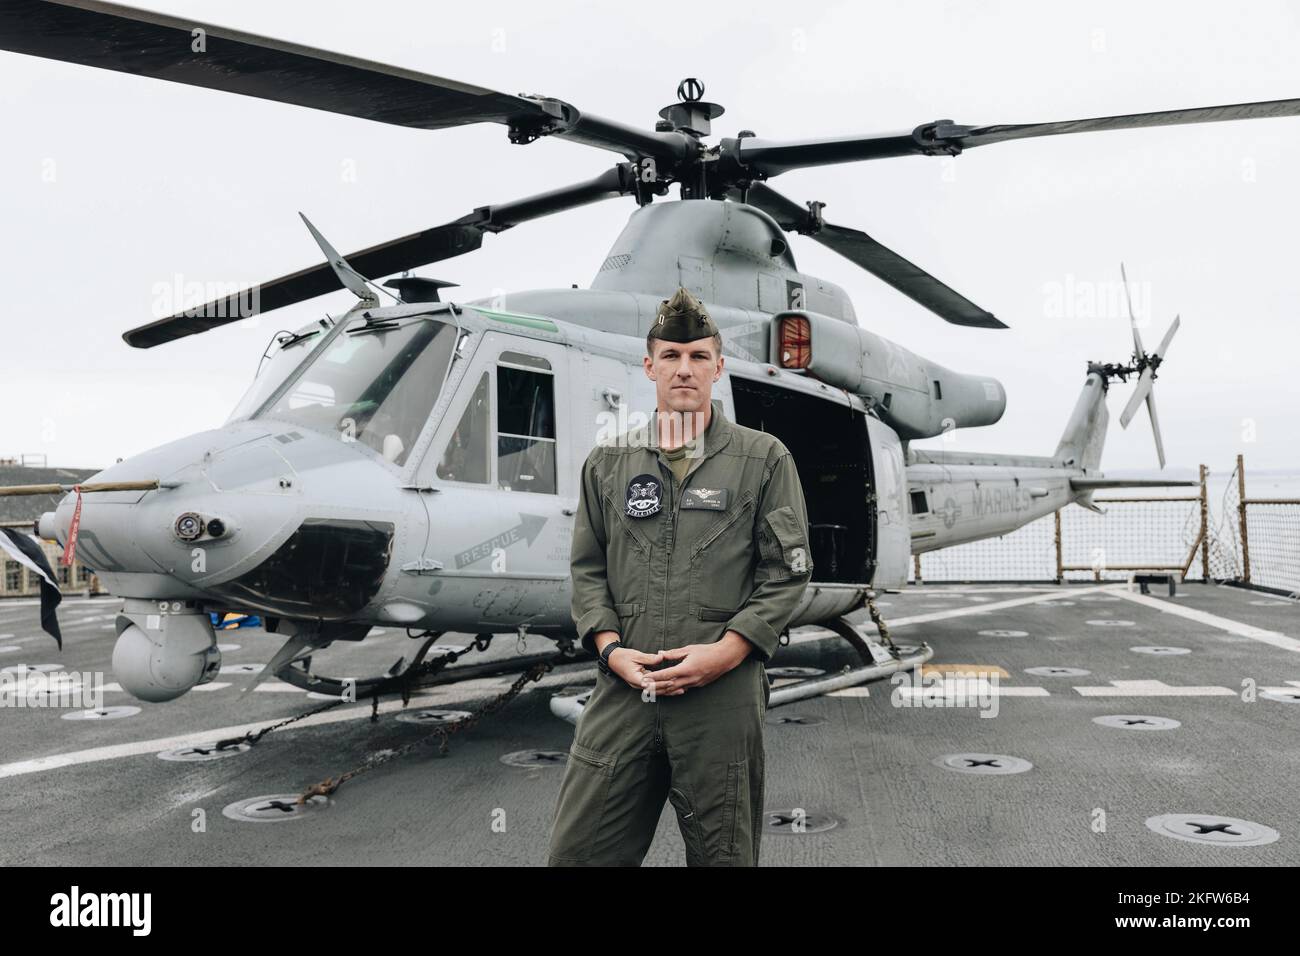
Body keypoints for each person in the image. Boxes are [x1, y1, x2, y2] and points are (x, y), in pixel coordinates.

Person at [546, 286, 814, 866]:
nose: (684, 369)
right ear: (649, 366)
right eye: (670, 356)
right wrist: (611, 649)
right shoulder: (608, 464)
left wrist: (725, 653)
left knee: (723, 857)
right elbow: (588, 571)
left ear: (719, 365)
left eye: (697, 357)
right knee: (579, 853)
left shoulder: (764, 459)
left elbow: (786, 574)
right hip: (625, 688)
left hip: (721, 697)